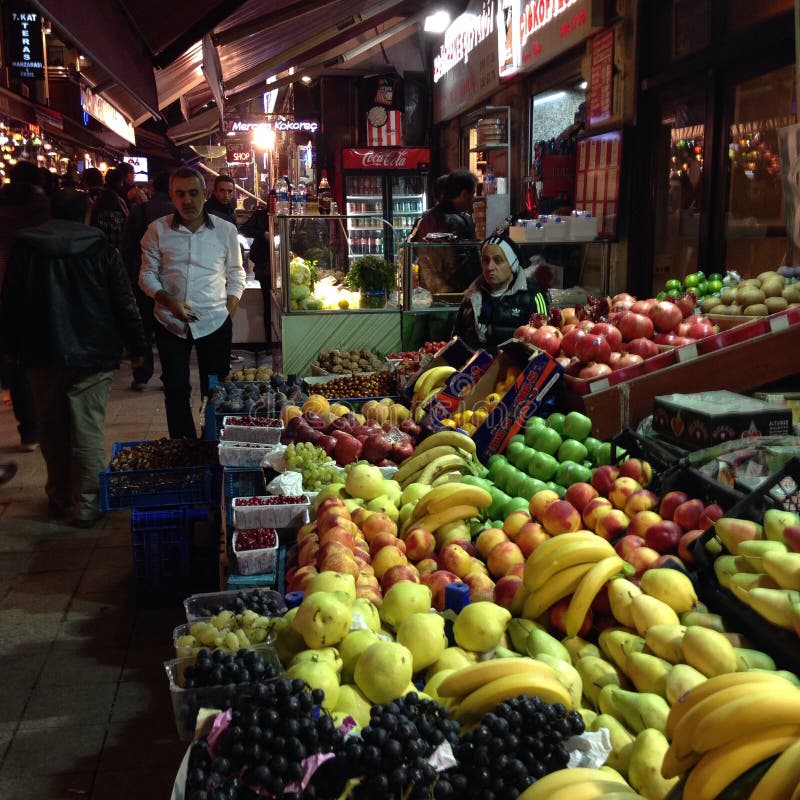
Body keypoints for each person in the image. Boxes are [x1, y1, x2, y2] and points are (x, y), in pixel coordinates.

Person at [0, 189, 147, 526]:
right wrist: (137, 348)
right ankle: (85, 504)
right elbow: (124, 303)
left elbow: (9, 302)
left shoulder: (26, 249)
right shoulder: (100, 249)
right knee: (87, 429)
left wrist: (8, 348)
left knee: (51, 430)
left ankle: (60, 497)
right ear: (86, 215)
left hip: (41, 353)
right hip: (93, 354)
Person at [139, 166, 246, 438]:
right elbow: (147, 275)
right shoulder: (157, 230)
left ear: (205, 193)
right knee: (175, 389)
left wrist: (229, 310)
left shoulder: (226, 230)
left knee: (216, 390)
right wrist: (167, 300)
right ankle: (183, 447)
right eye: (180, 194)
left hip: (214, 321)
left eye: (194, 193)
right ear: (172, 197)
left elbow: (236, 273)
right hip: (170, 321)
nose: (187, 201)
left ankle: (213, 443)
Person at [0, 160, 49, 454]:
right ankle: (45, 417)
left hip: (4, 291)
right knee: (42, 356)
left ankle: (29, 430)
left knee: (14, 359)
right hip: (40, 290)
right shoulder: (43, 207)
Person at [120, 170, 175, 391]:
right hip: (173, 279)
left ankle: (142, 374)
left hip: (143, 277)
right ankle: (170, 375)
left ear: (152, 188)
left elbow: (127, 246)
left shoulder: (141, 211)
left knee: (145, 326)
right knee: (170, 329)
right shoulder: (178, 211)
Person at [452, 233, 550, 352]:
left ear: (512, 264)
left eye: (498, 260)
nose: (490, 267)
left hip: (515, 368)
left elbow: (543, 342)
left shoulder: (533, 295)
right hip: (475, 368)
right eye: (485, 260)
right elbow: (457, 341)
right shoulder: (471, 297)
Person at [408, 169, 481, 293]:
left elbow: (414, 250)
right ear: (464, 194)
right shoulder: (456, 221)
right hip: (454, 294)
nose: (473, 198)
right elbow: (460, 264)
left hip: (431, 290)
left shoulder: (427, 217)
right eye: (472, 193)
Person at [239, 205, 272, 346]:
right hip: (264, 266)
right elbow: (243, 229)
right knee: (268, 304)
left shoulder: (291, 212)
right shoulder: (261, 215)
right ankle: (269, 341)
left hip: (284, 265)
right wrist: (262, 233)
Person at [91, 167, 129, 249]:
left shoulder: (97, 200)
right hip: (116, 248)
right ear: (121, 182)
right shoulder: (120, 201)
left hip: (98, 246)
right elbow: (127, 222)